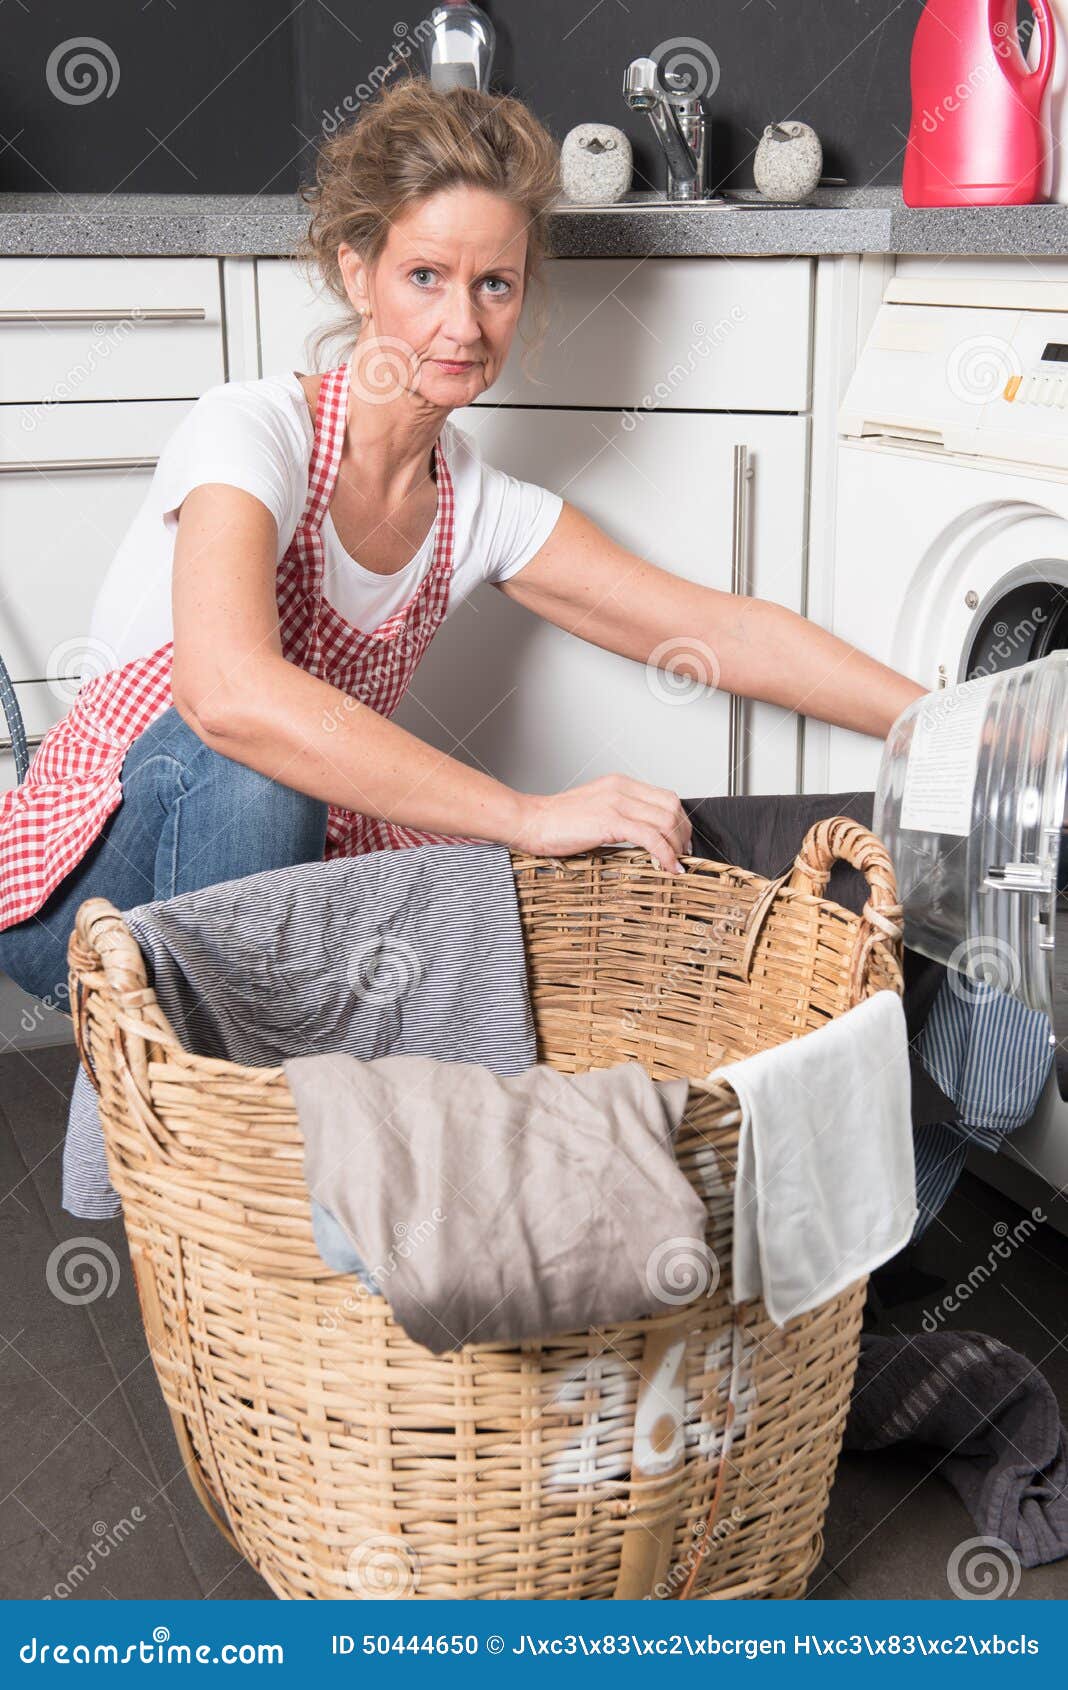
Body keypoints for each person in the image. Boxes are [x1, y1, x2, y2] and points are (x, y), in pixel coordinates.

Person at [0, 78, 926, 1014]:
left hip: (266, 884)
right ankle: (186, 1083)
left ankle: (253, 1075)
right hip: (80, 900)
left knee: (491, 920)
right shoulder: (251, 432)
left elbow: (724, 633)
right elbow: (228, 697)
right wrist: (529, 815)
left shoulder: (477, 508)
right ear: (357, 273)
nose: (464, 325)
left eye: (495, 285)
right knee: (262, 761)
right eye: (425, 277)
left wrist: (942, 726)